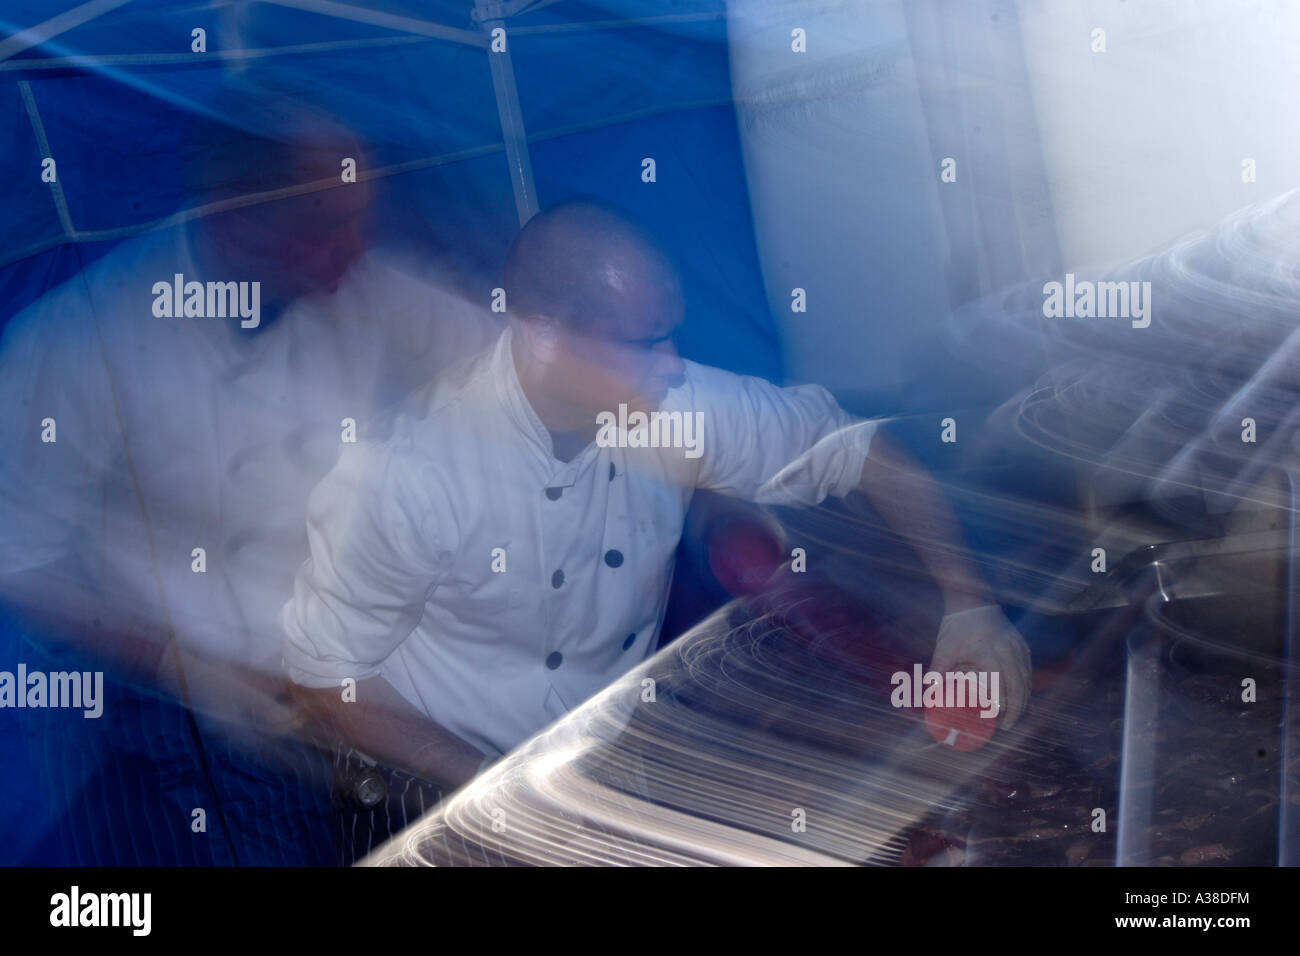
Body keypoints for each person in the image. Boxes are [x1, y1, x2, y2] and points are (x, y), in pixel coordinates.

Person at [281, 198, 1032, 863]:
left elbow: (855, 448)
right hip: (431, 781)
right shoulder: (405, 472)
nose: (673, 365)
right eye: (645, 341)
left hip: (596, 757)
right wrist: (497, 792)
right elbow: (325, 681)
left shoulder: (675, 406)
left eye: (673, 335)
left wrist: (970, 604)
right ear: (542, 333)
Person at [0, 91, 497, 865]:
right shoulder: (76, 344)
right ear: (231, 213)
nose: (358, 250)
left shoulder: (368, 288)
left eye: (363, 218)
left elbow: (508, 365)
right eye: (328, 228)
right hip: (179, 709)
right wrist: (180, 663)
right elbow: (17, 559)